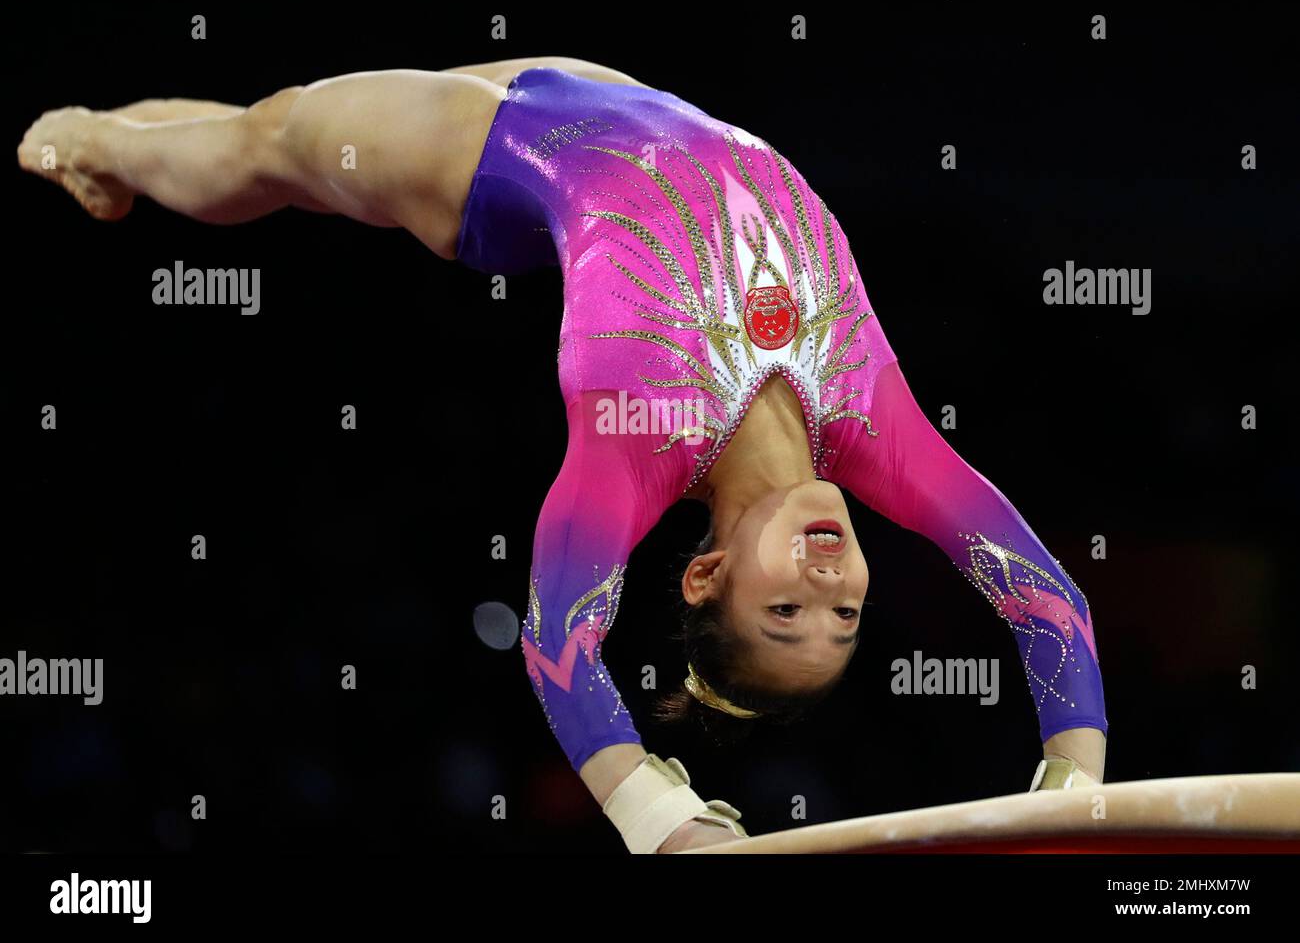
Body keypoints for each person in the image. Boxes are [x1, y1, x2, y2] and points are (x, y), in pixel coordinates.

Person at [17, 56, 1108, 854]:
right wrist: (1074, 788)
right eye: (845, 614)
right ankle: (125, 149)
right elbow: (1050, 603)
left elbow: (557, 643)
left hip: (485, 152)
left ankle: (102, 141)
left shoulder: (636, 436)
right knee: (260, 131)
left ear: (706, 573)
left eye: (787, 610)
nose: (828, 586)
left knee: (271, 144)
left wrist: (657, 816)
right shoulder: (880, 431)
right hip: (623, 95)